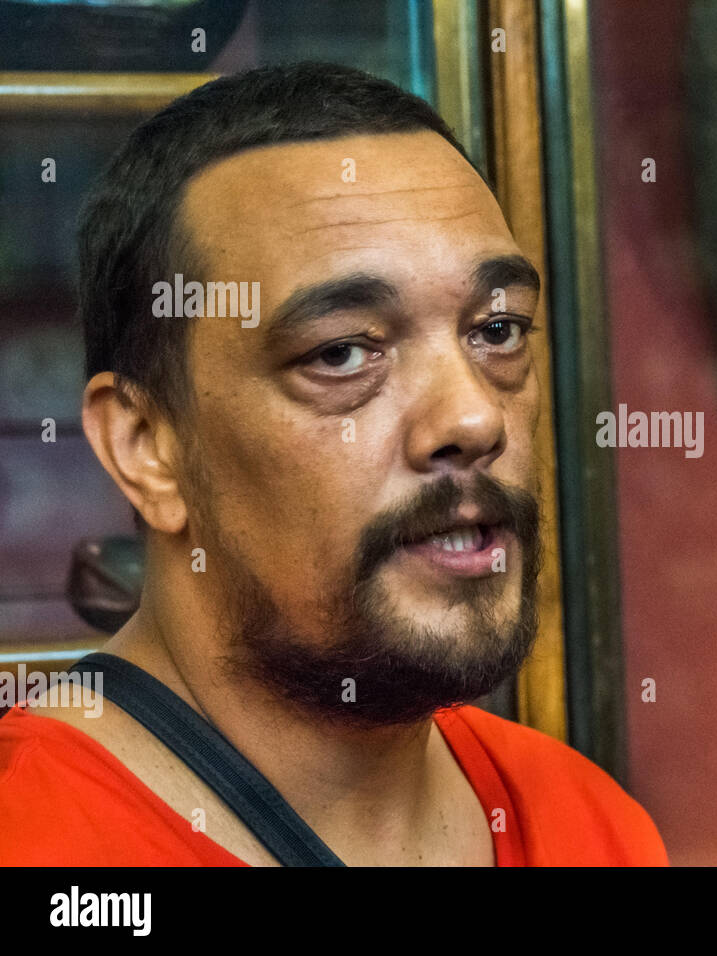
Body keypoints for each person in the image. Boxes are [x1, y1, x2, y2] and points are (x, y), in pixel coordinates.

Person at [0, 62, 667, 866]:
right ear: (147, 449)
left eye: (496, 332)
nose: (472, 418)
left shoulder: (588, 826)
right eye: (344, 352)